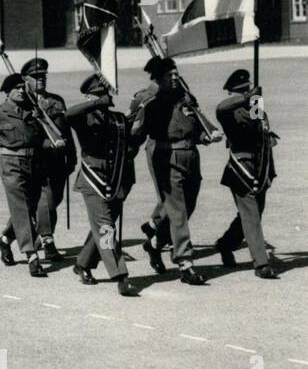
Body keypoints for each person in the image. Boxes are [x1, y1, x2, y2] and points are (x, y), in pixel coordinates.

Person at [130, 56, 215, 286]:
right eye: (170, 75)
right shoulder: (147, 98)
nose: (176, 77)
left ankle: (155, 243)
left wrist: (206, 135)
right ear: (158, 78)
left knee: (188, 207)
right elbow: (135, 131)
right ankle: (185, 263)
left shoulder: (185, 95)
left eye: (176, 73)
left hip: (190, 155)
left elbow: (195, 123)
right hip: (164, 155)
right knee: (177, 210)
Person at [66, 73, 139, 296]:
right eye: (96, 97)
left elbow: (132, 142)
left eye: (103, 95)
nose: (101, 100)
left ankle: (83, 264)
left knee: (101, 228)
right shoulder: (83, 119)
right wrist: (96, 104)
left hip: (117, 179)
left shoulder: (117, 119)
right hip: (93, 179)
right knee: (107, 228)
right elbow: (68, 115)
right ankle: (121, 276)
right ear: (88, 98)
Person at [0, 73, 48, 278]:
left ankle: (4, 240)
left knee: (29, 209)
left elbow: (42, 138)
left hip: (34, 164)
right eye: (17, 88)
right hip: (11, 164)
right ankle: (32, 256)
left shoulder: (34, 111)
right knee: (20, 207)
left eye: (23, 88)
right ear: (8, 92)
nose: (22, 91)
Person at [0, 58, 72, 264]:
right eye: (36, 77)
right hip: (37, 162)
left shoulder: (57, 101)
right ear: (26, 80)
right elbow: (25, 136)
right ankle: (48, 242)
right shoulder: (23, 104)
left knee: (49, 203)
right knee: (44, 202)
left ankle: (5, 238)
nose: (41, 80)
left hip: (58, 162)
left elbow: (64, 131)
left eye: (44, 76)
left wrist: (72, 157)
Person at [213, 68, 279, 279]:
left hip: (260, 167)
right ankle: (261, 263)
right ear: (235, 93)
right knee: (251, 217)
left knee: (253, 214)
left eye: (248, 89)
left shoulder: (255, 107)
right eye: (242, 92)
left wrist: (269, 135)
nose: (247, 94)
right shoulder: (229, 112)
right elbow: (221, 108)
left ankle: (226, 244)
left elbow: (259, 130)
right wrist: (247, 98)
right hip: (241, 168)